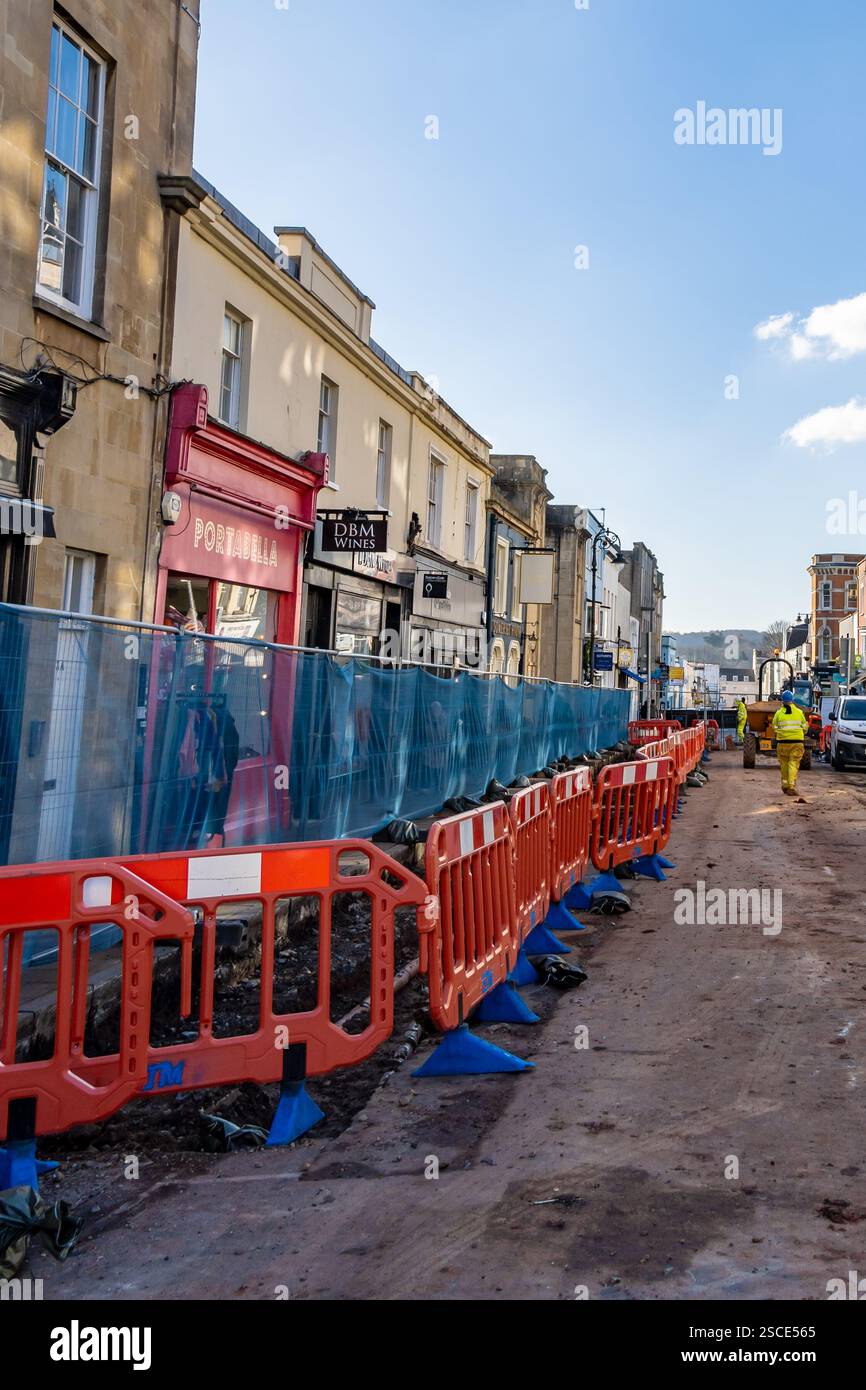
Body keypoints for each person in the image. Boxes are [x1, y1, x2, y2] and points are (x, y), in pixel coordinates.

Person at [772, 690, 808, 796]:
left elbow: (774, 727)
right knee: (793, 763)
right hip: (797, 743)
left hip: (782, 743)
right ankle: (791, 786)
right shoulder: (799, 712)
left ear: (782, 701)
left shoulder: (778, 713)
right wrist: (802, 732)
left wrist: (781, 733)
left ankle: (785, 785)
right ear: (792, 700)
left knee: (784, 764)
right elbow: (805, 727)